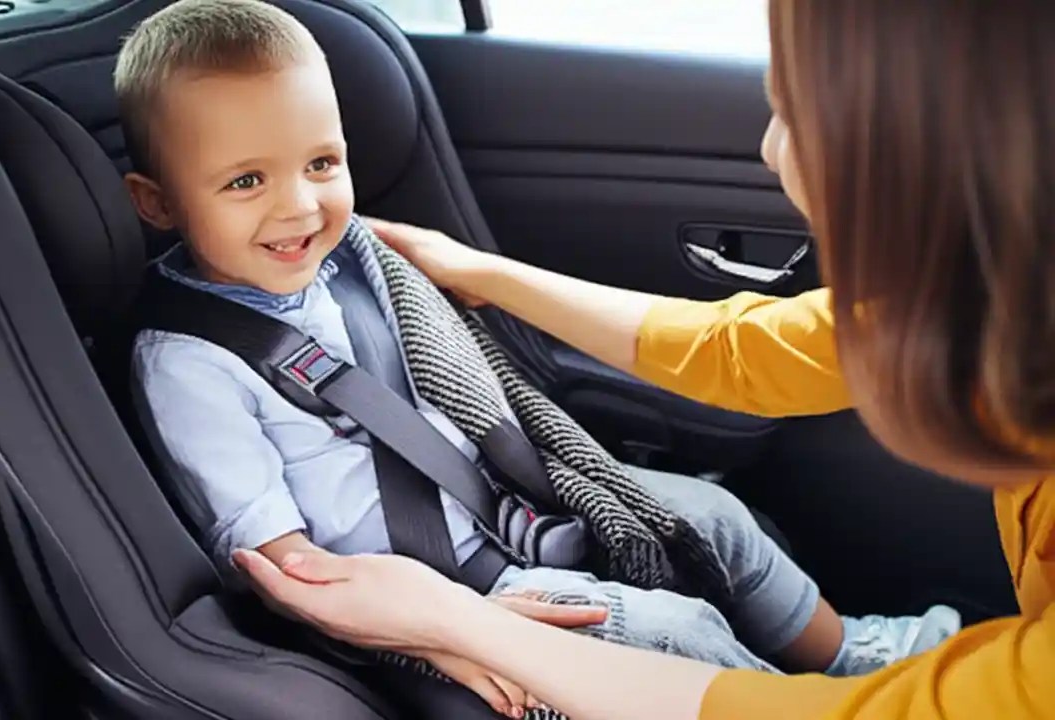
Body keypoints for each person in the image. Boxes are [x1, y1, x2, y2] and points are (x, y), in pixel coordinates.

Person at [115, 1, 956, 715]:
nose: (301, 204)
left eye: (321, 164)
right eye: (244, 183)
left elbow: (464, 392)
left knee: (716, 518)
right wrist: (442, 628)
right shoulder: (192, 362)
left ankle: (856, 658)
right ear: (155, 202)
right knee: (676, 633)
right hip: (428, 587)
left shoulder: (361, 264)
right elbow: (280, 560)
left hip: (510, 514)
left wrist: (476, 280)